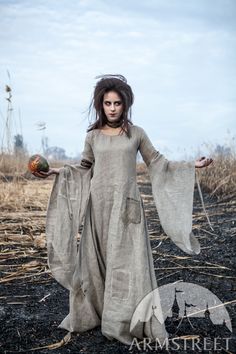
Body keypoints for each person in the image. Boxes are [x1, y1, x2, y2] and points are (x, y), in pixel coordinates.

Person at [34, 74, 213, 345]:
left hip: (127, 210)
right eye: (107, 103)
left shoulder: (136, 133)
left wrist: (192, 166)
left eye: (117, 103)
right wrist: (57, 172)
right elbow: (84, 168)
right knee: (95, 264)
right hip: (99, 209)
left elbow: (157, 162)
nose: (113, 108)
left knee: (128, 265)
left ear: (125, 104)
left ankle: (122, 320)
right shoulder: (93, 136)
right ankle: (95, 314)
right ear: (100, 105)